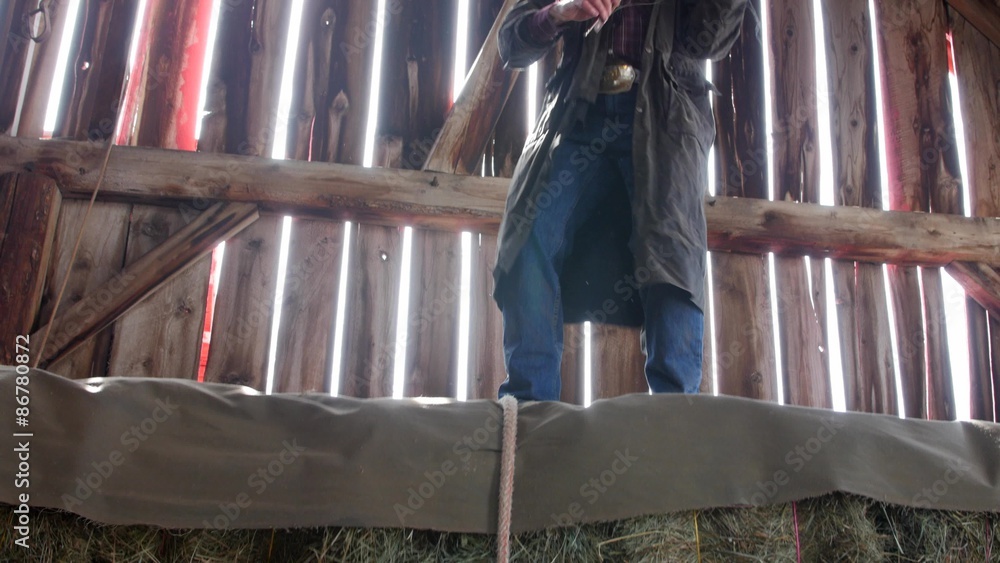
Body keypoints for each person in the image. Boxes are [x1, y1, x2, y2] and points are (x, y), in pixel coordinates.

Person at [493, 0, 748, 401]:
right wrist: (559, 12)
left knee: (672, 254)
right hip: (574, 115)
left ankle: (674, 412)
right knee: (526, 234)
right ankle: (527, 412)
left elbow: (709, 42)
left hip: (665, 117)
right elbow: (511, 44)